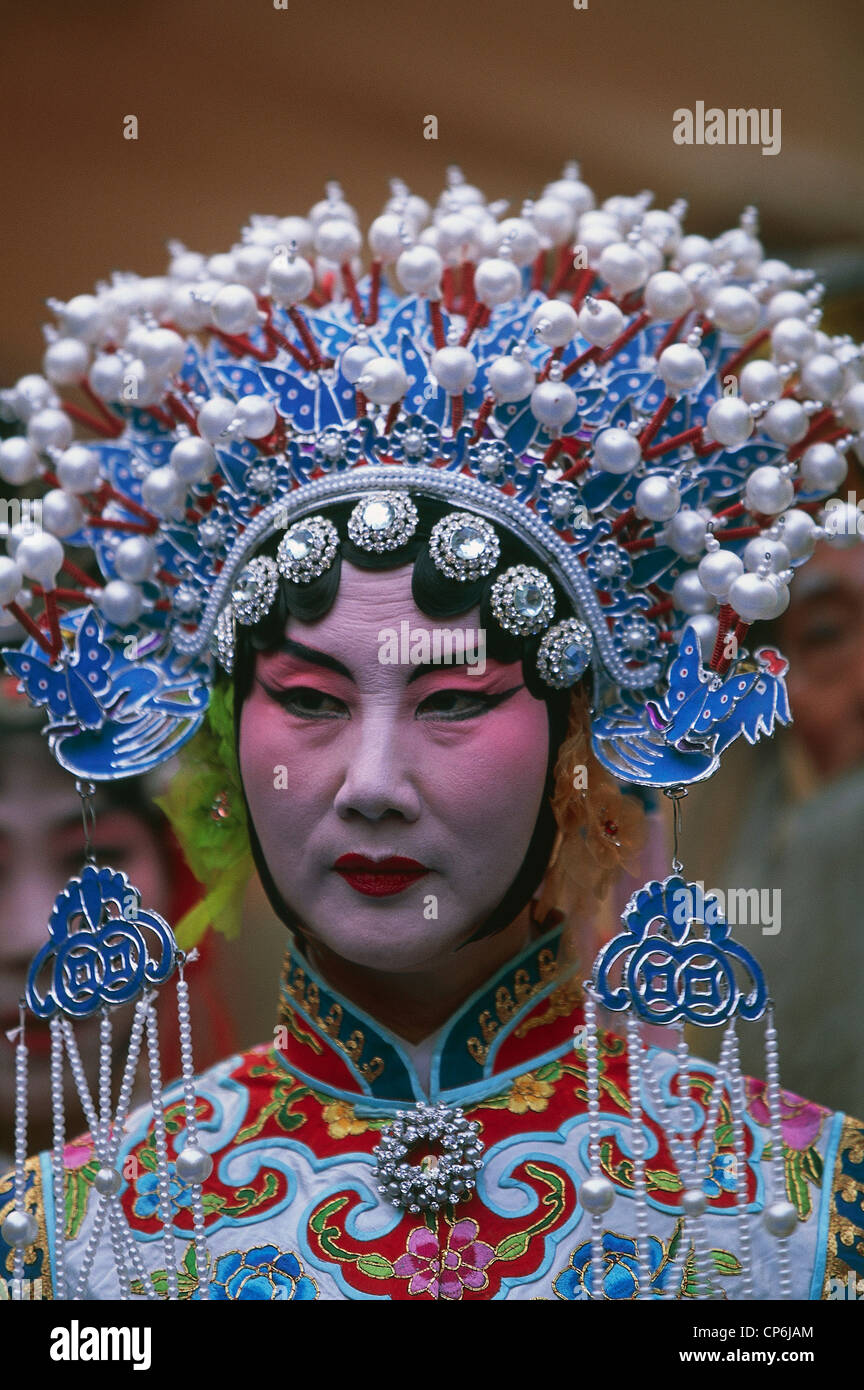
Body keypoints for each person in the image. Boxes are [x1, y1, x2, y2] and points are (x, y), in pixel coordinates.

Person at [1, 167, 863, 1302]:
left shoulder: (803, 1216)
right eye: (308, 699)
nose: (371, 785)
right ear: (223, 748)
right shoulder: (68, 1248)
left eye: (454, 701)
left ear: (581, 748)